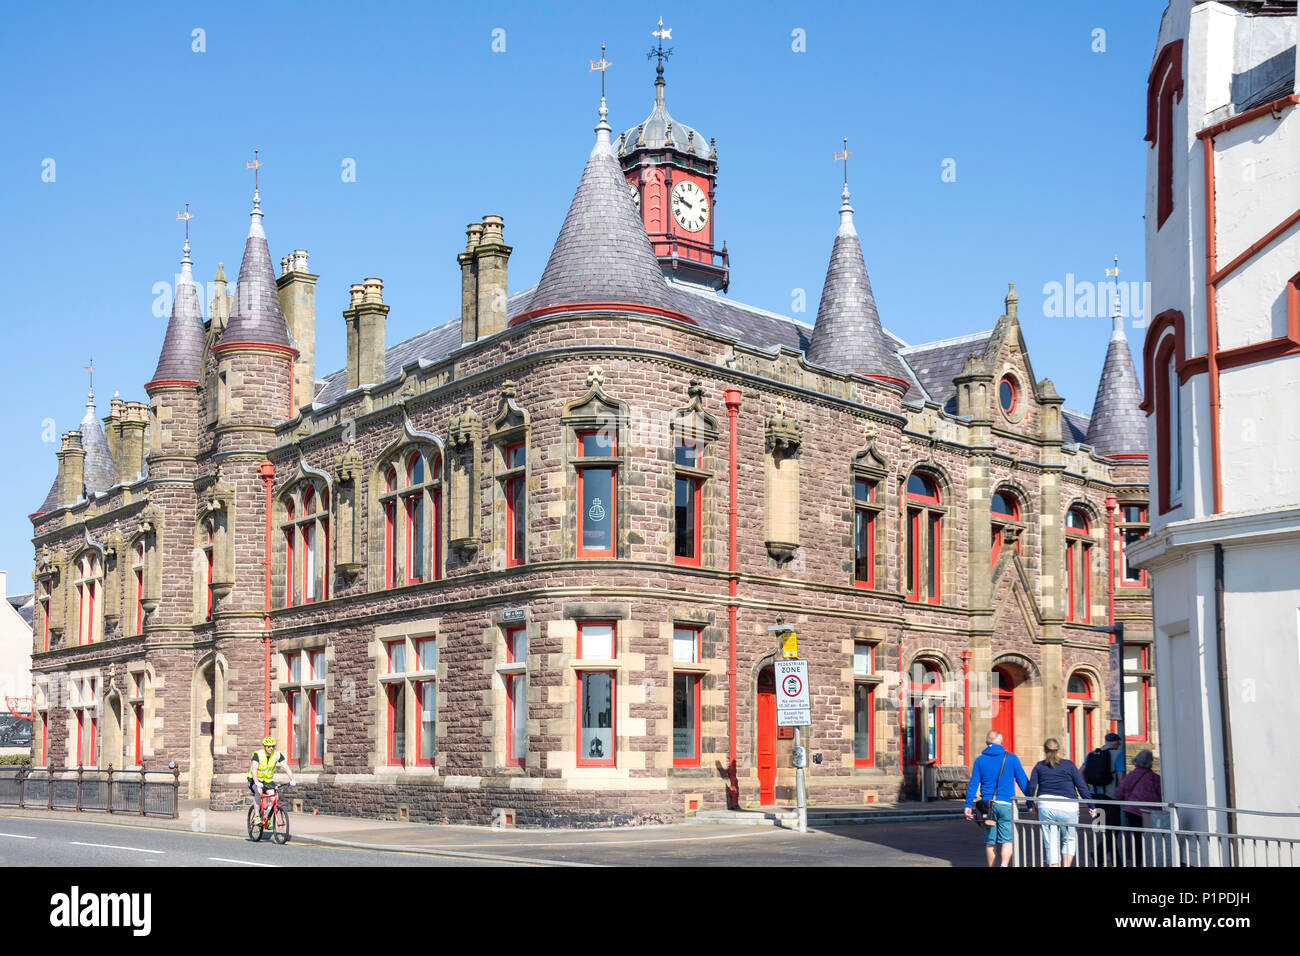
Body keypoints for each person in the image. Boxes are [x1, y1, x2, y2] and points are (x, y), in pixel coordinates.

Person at [1024, 737, 1099, 867]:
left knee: (1050, 840)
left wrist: (1030, 805)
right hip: (1068, 806)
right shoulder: (1069, 765)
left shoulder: (1039, 766)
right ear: (1059, 750)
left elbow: (1031, 787)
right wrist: (1091, 806)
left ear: (1045, 751)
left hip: (1046, 805)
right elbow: (1081, 786)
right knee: (1069, 839)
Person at [964, 730, 1029, 867]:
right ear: (1001, 742)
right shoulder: (1011, 758)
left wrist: (968, 805)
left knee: (991, 841)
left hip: (988, 806)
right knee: (1007, 840)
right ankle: (1004, 865)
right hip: (1006, 804)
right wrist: (1030, 802)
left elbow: (974, 783)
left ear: (987, 743)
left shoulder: (980, 760)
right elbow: (1023, 782)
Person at [1082, 732, 1126, 863]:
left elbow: (1080, 772)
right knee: (1114, 829)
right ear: (1115, 742)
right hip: (1110, 797)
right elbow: (1121, 778)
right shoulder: (1118, 755)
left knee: (1106, 830)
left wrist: (1087, 791)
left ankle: (1117, 861)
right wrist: (1122, 795)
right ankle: (1098, 853)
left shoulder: (1091, 754)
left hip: (1095, 797)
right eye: (1118, 742)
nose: (1119, 744)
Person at [1115, 749, 1161, 865]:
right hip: (1150, 813)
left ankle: (1137, 862)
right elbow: (1161, 795)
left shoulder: (1131, 775)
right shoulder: (1155, 778)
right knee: (1151, 839)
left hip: (1132, 811)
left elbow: (1119, 793)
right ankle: (1150, 861)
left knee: (1137, 838)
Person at [247, 735, 296, 825]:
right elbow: (254, 769)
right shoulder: (258, 755)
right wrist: (257, 782)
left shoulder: (277, 754)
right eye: (269, 746)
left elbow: (286, 767)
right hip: (254, 779)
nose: (271, 748)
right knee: (258, 792)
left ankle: (267, 818)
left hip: (268, 781)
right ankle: (257, 817)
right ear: (265, 747)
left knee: (274, 798)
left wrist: (292, 779)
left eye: (273, 746)